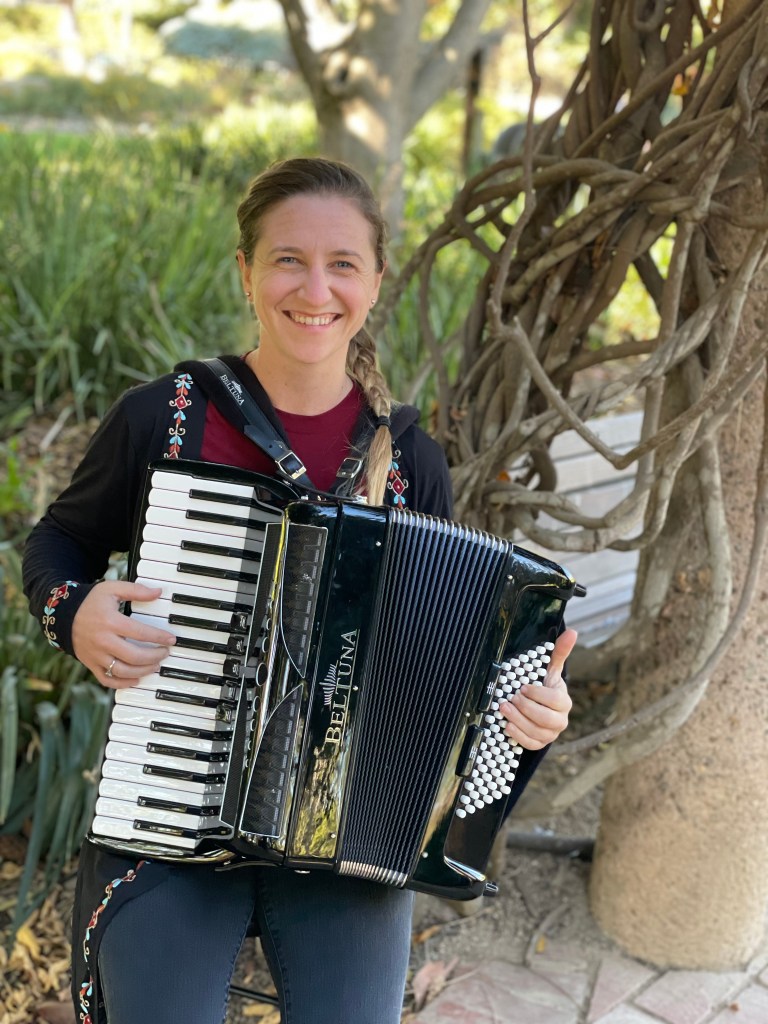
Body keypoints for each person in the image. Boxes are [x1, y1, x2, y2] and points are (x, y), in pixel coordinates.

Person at [22, 157, 575, 1024]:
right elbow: (58, 543)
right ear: (246, 272)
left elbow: (449, 669)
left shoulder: (410, 463)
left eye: (342, 264)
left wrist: (525, 710)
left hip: (343, 841)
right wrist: (77, 612)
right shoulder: (167, 418)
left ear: (375, 282)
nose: (315, 290)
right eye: (288, 260)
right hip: (173, 818)